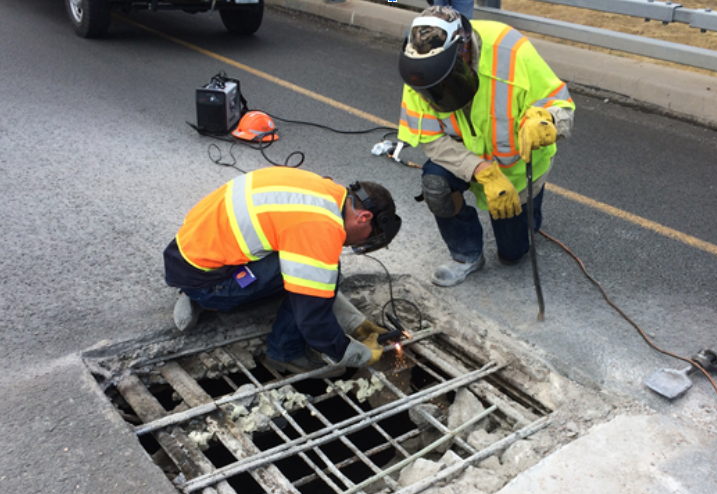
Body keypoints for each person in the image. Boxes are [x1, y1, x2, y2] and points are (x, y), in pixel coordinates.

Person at [397, 6, 575, 287]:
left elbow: (558, 102)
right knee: (436, 185)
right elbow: (431, 139)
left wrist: (547, 119)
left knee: (513, 254)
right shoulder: (420, 69)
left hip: (516, 170)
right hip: (464, 160)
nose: (436, 92)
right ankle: (466, 255)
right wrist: (480, 170)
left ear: (463, 50)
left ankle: (530, 216)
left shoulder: (511, 49)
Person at [163, 166, 402, 373]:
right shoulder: (320, 226)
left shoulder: (322, 190)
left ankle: (194, 292)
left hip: (185, 256)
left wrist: (353, 321)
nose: (356, 244)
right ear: (364, 217)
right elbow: (312, 318)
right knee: (320, 267)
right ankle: (285, 352)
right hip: (209, 281)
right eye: (367, 239)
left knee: (317, 267)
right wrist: (349, 351)